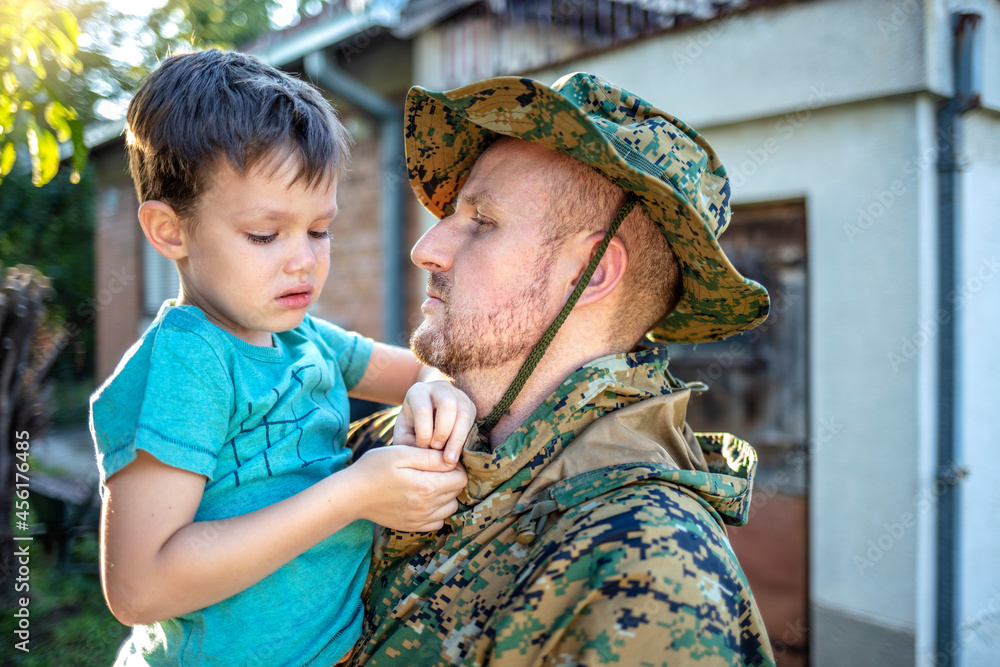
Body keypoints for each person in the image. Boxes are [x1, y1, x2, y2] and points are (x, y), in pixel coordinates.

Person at [345, 73, 777, 666]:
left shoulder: (645, 563)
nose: (427, 248)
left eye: (481, 222)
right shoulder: (395, 443)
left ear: (591, 273)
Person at [89, 49, 472, 667]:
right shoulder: (188, 362)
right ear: (170, 231)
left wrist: (436, 387)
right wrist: (352, 496)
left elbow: (419, 366)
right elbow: (140, 586)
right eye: (265, 235)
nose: (304, 260)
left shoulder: (304, 338)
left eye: (319, 230)